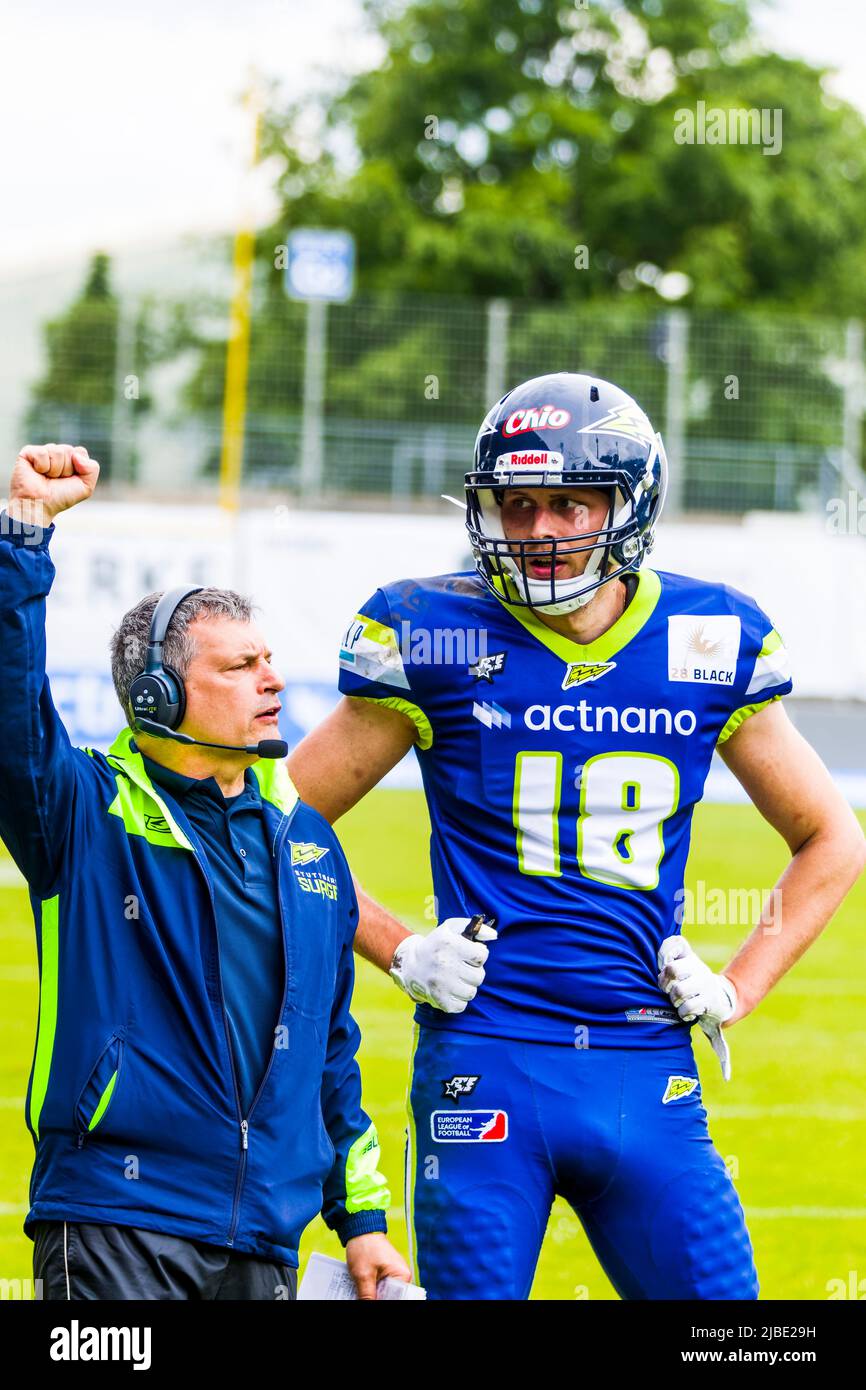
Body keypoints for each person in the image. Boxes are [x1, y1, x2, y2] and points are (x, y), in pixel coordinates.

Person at [288, 372, 866, 1300]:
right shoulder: (429, 630)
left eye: (569, 503)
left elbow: (831, 837)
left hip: (647, 1058)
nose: (541, 531)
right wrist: (400, 951)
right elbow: (279, 819)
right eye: (517, 506)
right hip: (485, 1057)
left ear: (629, 505)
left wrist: (736, 985)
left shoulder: (708, 634)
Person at [1, 443, 408, 1301]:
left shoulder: (308, 846)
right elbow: (9, 707)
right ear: (156, 697)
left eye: (267, 659)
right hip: (117, 1223)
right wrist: (23, 533)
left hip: (265, 1240)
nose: (272, 680)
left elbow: (330, 1049)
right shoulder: (83, 810)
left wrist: (363, 1224)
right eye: (238, 667)